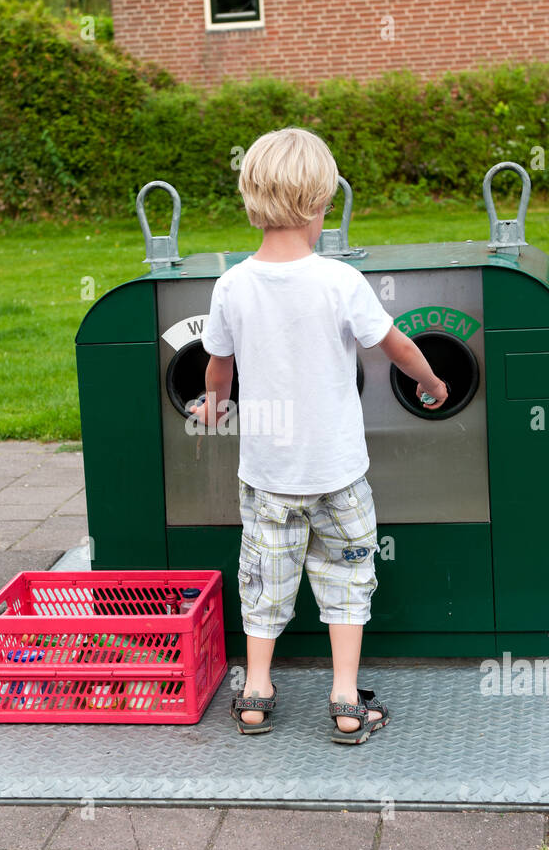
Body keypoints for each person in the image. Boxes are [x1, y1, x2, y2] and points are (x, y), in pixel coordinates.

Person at [188, 127, 448, 744]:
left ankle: (255, 692)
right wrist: (433, 383)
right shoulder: (340, 281)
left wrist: (212, 407)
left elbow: (217, 365)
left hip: (268, 478)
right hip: (338, 474)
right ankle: (343, 698)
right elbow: (397, 346)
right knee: (347, 578)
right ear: (321, 203)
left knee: (265, 580)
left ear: (251, 198)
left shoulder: (231, 285)